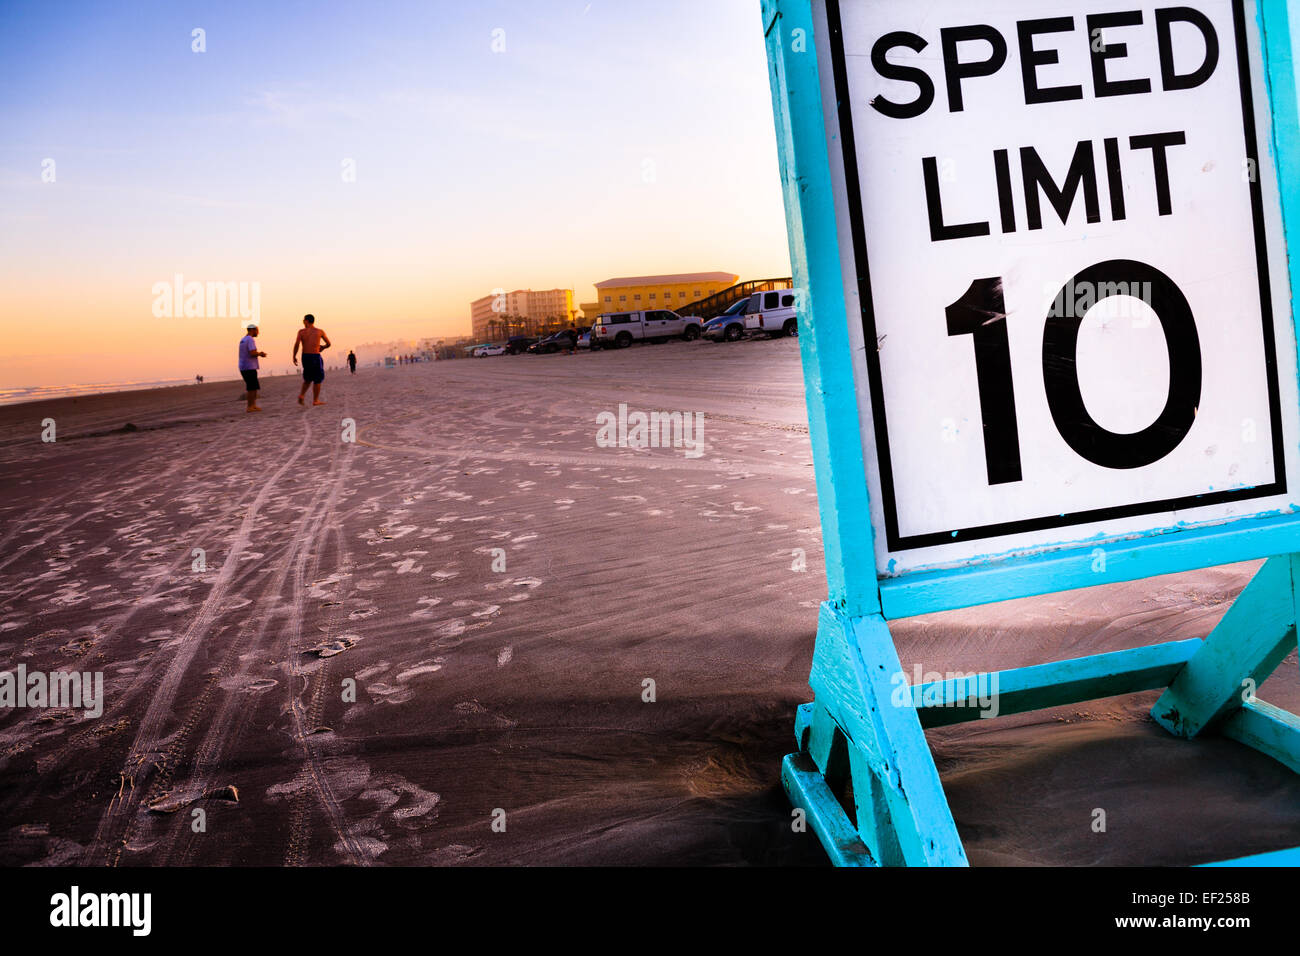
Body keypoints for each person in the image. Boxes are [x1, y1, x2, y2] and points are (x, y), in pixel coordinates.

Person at [292, 314, 331, 406]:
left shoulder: (301, 332)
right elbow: (328, 343)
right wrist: (323, 347)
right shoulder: (319, 331)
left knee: (308, 378)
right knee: (317, 379)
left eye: (303, 320)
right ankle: (315, 400)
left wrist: (294, 356)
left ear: (307, 321)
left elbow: (297, 344)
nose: (302, 322)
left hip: (305, 356)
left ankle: (301, 395)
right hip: (315, 356)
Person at [238, 322, 267, 413]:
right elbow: (252, 352)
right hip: (248, 367)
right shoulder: (250, 339)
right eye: (257, 330)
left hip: (244, 366)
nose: (258, 332)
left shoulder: (243, 339)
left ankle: (253, 405)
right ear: (252, 330)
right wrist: (260, 354)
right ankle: (250, 406)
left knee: (253, 387)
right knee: (251, 387)